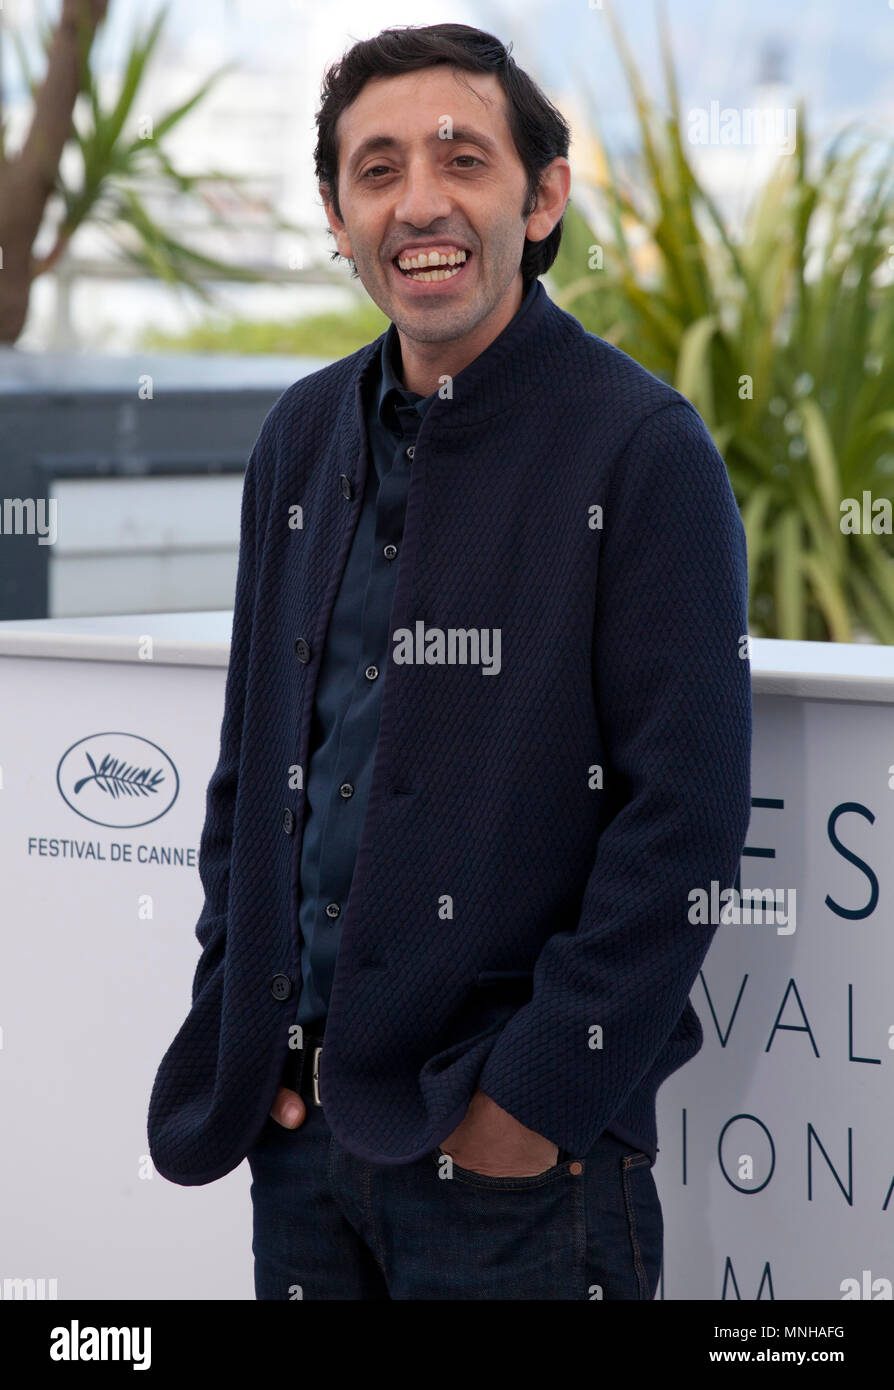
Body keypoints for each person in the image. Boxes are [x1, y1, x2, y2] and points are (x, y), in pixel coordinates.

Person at [148, 23, 752, 1301]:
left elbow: (684, 824)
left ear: (541, 197)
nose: (418, 202)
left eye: (460, 158)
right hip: (300, 1147)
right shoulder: (298, 438)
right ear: (336, 214)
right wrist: (244, 1019)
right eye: (375, 170)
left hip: (517, 1180)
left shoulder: (646, 452)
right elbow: (252, 775)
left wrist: (529, 1104)